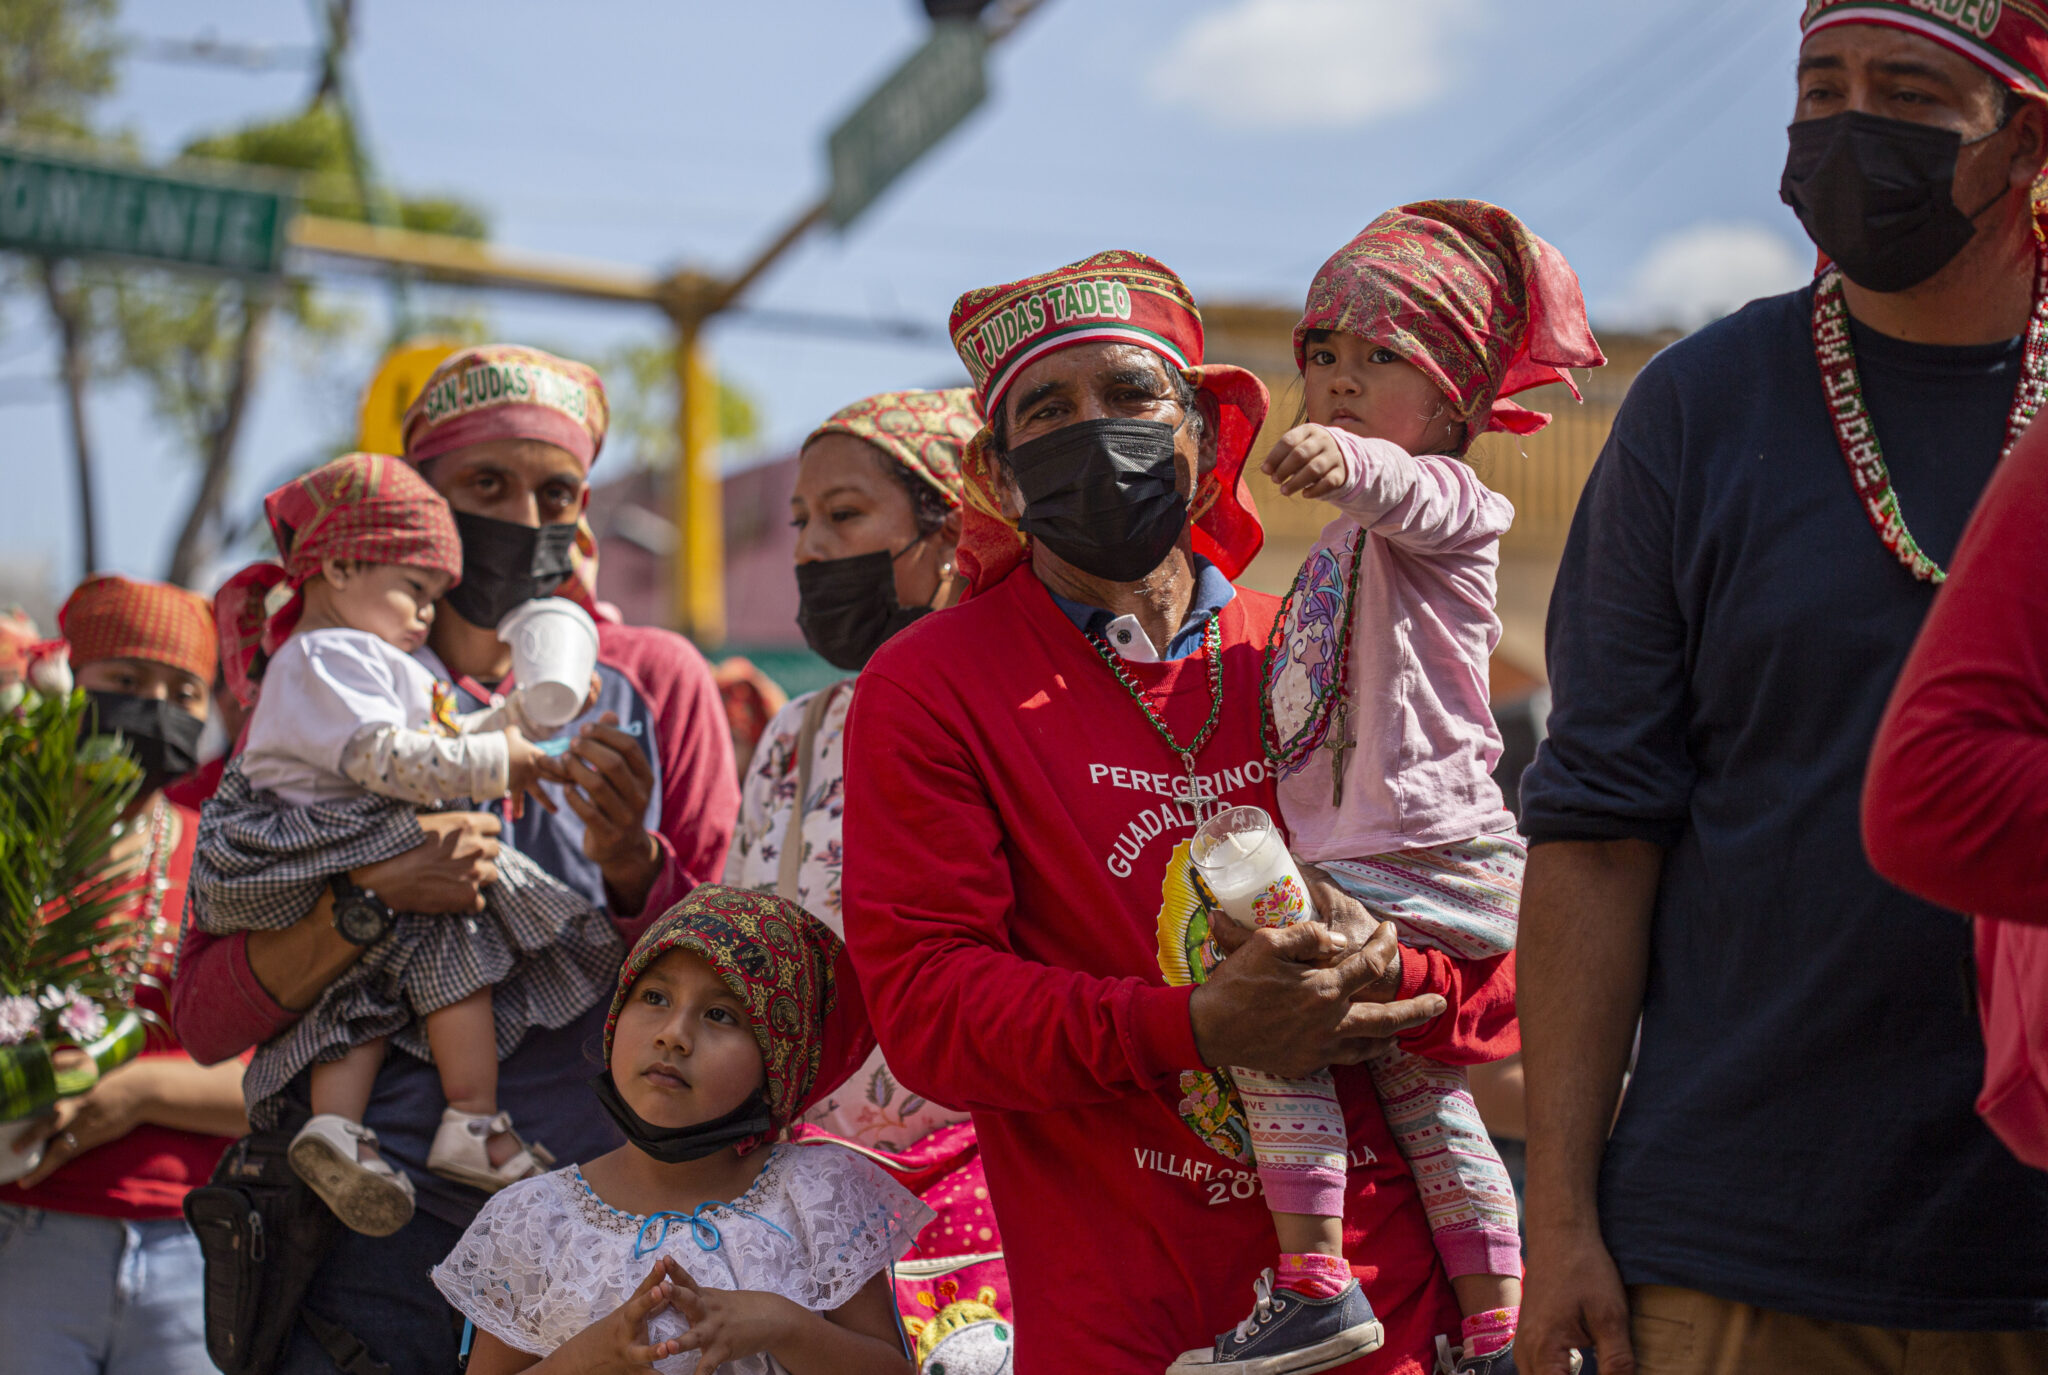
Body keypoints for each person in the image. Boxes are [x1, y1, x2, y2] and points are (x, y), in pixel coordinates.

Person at [839, 250, 1518, 1375]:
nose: (1094, 431)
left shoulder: (1319, 629)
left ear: (1202, 436)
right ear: (998, 478)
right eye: (1047, 411)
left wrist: (1387, 966)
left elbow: (1494, 974)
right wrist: (1199, 1023)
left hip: (1397, 1324)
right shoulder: (931, 681)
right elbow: (927, 1009)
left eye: (1131, 397)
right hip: (1128, 1329)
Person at [1515, 7, 2048, 1373]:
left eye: (1908, 92)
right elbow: (1596, 827)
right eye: (1823, 85)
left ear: (2026, 141)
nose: (1847, 123)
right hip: (1734, 1246)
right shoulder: (1698, 407)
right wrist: (1563, 1212)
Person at [170, 343, 738, 1375]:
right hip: (372, 1241)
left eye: (556, 491)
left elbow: (739, 978)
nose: (524, 521)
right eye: (484, 485)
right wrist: (369, 899)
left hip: (597, 1238)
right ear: (418, 508)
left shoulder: (655, 683)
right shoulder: (328, 688)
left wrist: (626, 863)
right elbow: (206, 1018)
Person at [1238, 200, 1603, 1375]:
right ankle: (1495, 1329)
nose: (1339, 381)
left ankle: (1310, 1278)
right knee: (1422, 1088)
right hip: (1409, 863)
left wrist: (1347, 458)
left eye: (1379, 356)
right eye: (1322, 358)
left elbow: (1413, 492)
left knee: (1260, 1011)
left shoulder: (1450, 512)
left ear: (1450, 397)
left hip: (1414, 855)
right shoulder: (1343, 552)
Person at [193, 454, 622, 1236]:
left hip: (359, 840)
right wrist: (503, 759)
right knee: (459, 941)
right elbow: (385, 760)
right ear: (343, 563)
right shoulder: (321, 657)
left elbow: (443, 735)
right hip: (312, 842)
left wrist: (522, 719)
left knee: (369, 991)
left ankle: (349, 1131)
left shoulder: (389, 659)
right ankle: (468, 1118)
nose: (426, 613)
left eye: (432, 596)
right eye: (413, 590)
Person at [724, 387, 1015, 1337]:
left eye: (844, 515)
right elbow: (743, 964)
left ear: (952, 524)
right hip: (813, 1197)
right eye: (802, 519)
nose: (808, 546)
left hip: (1002, 1184)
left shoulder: (1017, 712)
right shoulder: (798, 736)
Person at [432, 884, 926, 1375]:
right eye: (654, 997)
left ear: (777, 1064)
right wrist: (588, 1358)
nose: (673, 1034)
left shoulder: (817, 1197)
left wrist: (784, 1324)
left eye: (720, 1014)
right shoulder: (533, 1220)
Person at [1, 575, 249, 1375]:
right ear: (70, 683)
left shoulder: (222, 861)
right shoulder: (17, 845)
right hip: (21, 1238)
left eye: (183, 690)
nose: (155, 705)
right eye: (125, 681)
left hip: (187, 1248)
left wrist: (132, 1090)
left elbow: (273, 1082)